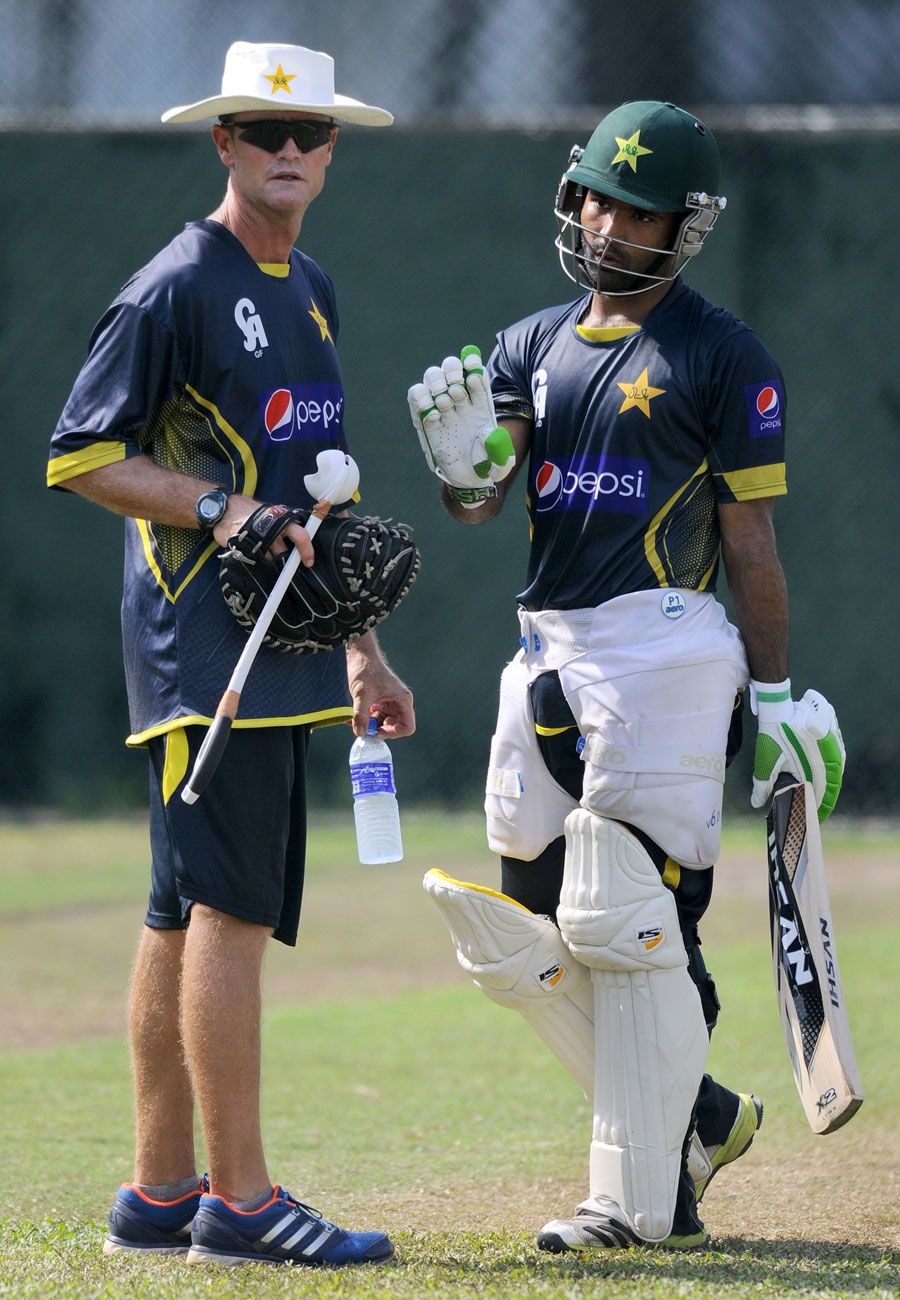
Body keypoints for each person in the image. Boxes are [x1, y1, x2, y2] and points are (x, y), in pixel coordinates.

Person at [408, 100, 845, 1251]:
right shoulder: (527, 345)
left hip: (667, 652)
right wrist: (461, 471)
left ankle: (643, 1197)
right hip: (546, 649)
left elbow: (752, 545)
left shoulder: (724, 356)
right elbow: (482, 498)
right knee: (525, 925)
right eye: (598, 199)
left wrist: (775, 694)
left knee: (634, 923)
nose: (609, 225)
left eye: (638, 212)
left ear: (684, 227)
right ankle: (699, 1114)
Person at [47, 41, 413, 1269]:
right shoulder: (176, 287)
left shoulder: (310, 286)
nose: (288, 149)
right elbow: (81, 453)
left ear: (332, 147)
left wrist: (363, 649)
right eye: (263, 130)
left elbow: (317, 499)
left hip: (280, 645)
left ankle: (161, 1191)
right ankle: (244, 1204)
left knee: (180, 910)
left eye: (308, 132)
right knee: (233, 911)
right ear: (224, 143)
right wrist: (216, 507)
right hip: (207, 646)